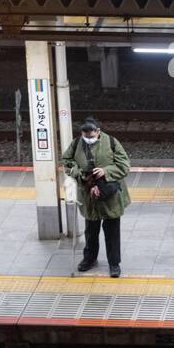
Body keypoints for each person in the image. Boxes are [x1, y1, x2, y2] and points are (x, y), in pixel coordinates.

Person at [62, 118, 130, 278]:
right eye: (86, 136)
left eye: (91, 136)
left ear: (98, 132)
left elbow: (124, 166)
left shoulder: (112, 142)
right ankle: (89, 259)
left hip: (110, 195)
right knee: (90, 230)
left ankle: (114, 263)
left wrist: (106, 171)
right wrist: (80, 175)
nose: (89, 139)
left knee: (112, 230)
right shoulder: (76, 143)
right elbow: (67, 162)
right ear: (82, 134)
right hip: (88, 194)